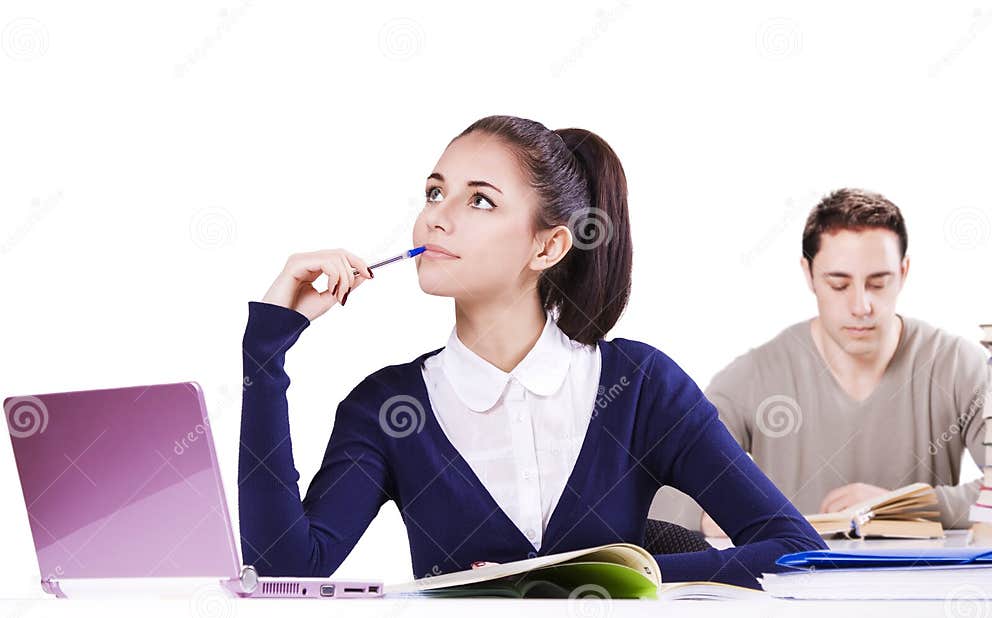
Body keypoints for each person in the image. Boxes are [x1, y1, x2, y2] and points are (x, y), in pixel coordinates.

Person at [237, 115, 825, 589]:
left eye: (480, 201)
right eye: (434, 192)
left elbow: (797, 552)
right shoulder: (386, 408)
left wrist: (592, 576)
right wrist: (266, 353)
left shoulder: (642, 386)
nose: (435, 218)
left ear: (547, 246)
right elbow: (283, 573)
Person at [650, 188, 990, 536]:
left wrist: (909, 506)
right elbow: (660, 491)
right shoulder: (753, 377)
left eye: (878, 282)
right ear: (809, 274)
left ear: (903, 272)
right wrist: (719, 516)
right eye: (839, 284)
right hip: (790, 585)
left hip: (921, 586)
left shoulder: (958, 365)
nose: (861, 306)